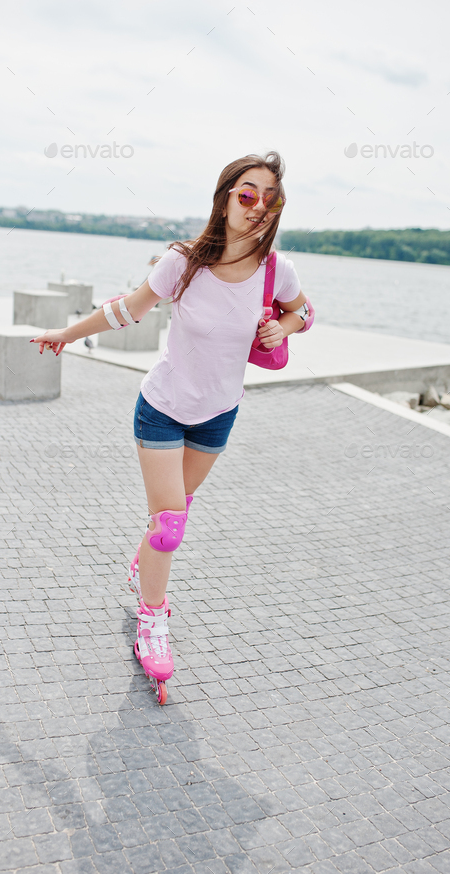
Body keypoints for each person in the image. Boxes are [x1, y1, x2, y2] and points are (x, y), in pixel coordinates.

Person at [31, 151, 314, 703]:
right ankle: (152, 620)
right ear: (226, 197)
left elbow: (304, 313)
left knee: (176, 507)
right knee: (169, 524)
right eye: (246, 194)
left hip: (218, 414)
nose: (257, 206)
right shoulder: (182, 262)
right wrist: (67, 333)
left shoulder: (279, 270)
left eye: (268, 198)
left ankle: (145, 563)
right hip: (161, 407)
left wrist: (283, 327)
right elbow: (127, 310)